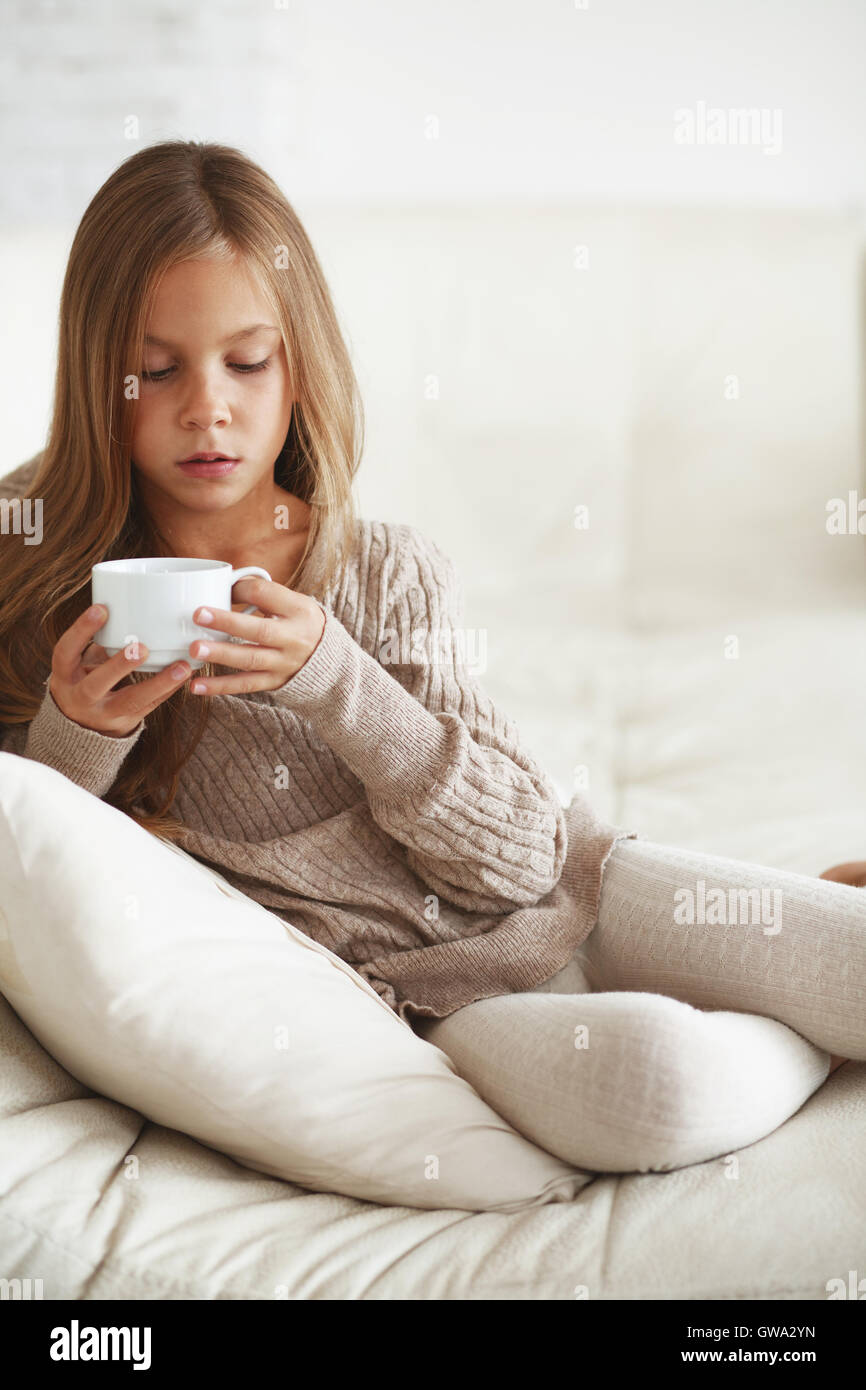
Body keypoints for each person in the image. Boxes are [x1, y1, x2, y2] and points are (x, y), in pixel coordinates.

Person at [0, 141, 862, 1181]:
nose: (208, 408)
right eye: (158, 365)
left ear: (298, 362)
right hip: (422, 994)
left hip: (581, 887)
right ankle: (785, 1019)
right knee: (652, 1093)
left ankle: (791, 944)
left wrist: (335, 681)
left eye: (247, 359)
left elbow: (518, 865)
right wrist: (83, 732)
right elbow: (45, 871)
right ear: (99, 371)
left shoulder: (385, 570)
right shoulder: (36, 585)